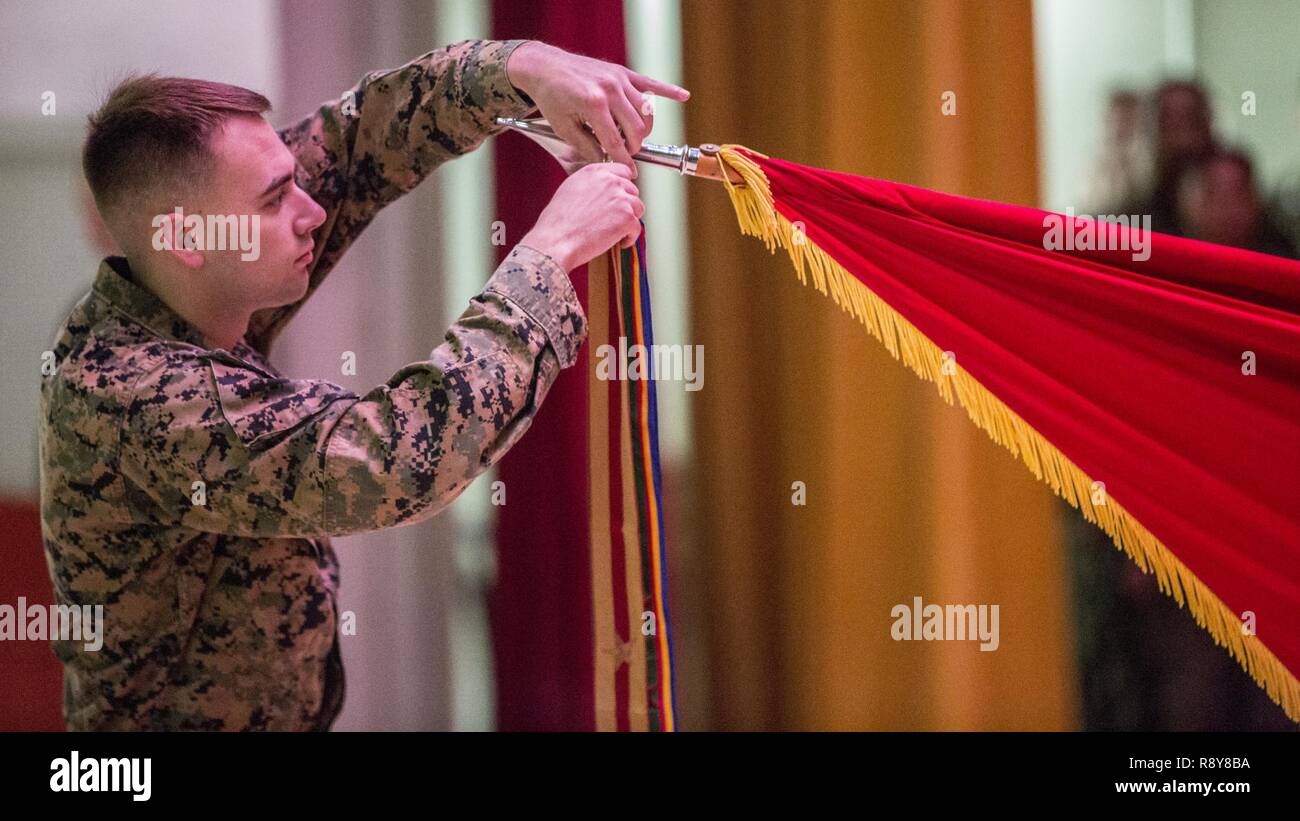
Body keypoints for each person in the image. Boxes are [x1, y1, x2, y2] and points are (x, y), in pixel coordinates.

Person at [39, 38, 689, 730]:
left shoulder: (194, 276)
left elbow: (362, 136)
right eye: (274, 199)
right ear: (187, 240)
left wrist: (522, 69)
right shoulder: (134, 394)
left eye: (292, 179)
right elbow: (390, 460)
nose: (310, 209)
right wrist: (548, 253)